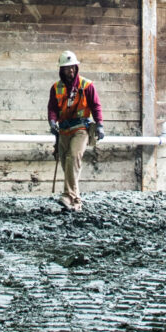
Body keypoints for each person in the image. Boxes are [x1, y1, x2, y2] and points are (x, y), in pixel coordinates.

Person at [46, 51, 104, 212]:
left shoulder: (87, 85)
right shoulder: (56, 88)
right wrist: (52, 121)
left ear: (76, 67)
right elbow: (52, 108)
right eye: (67, 68)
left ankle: (67, 195)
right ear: (61, 70)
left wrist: (99, 124)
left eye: (72, 68)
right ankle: (76, 201)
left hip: (81, 128)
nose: (70, 71)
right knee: (66, 163)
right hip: (64, 129)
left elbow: (95, 105)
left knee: (73, 156)